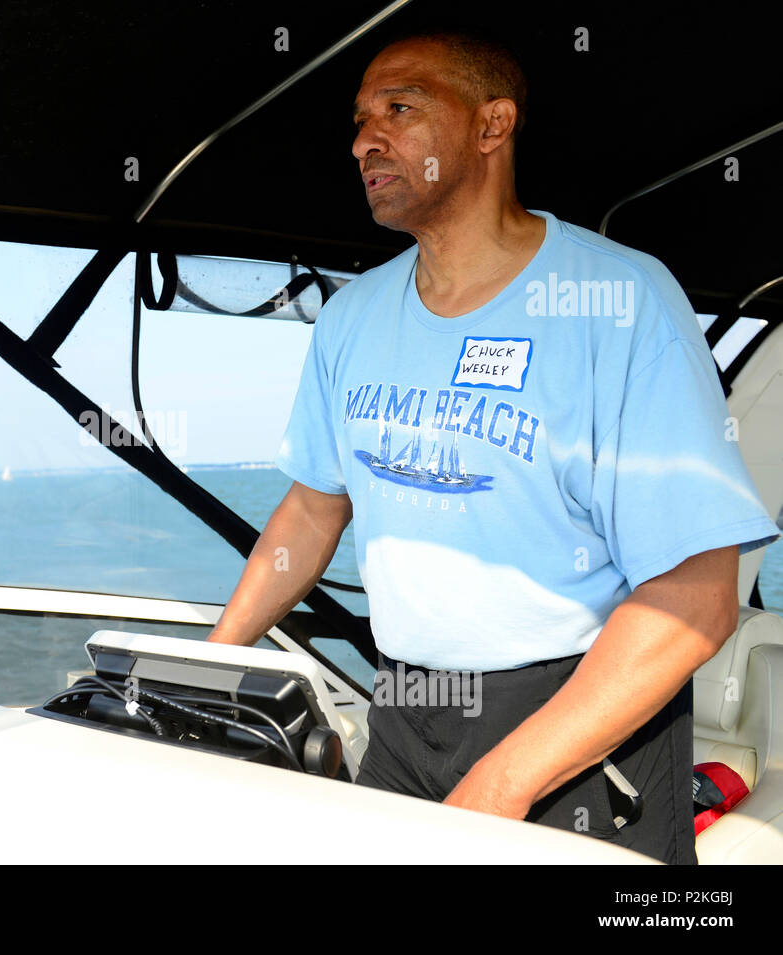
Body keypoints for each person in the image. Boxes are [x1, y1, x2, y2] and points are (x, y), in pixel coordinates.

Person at [207, 30, 781, 863]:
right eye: (360, 119)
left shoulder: (619, 302)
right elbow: (312, 507)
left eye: (400, 109)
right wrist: (209, 672)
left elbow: (696, 599)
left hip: (580, 724)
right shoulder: (352, 318)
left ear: (491, 127)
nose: (365, 138)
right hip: (403, 709)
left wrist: (504, 782)